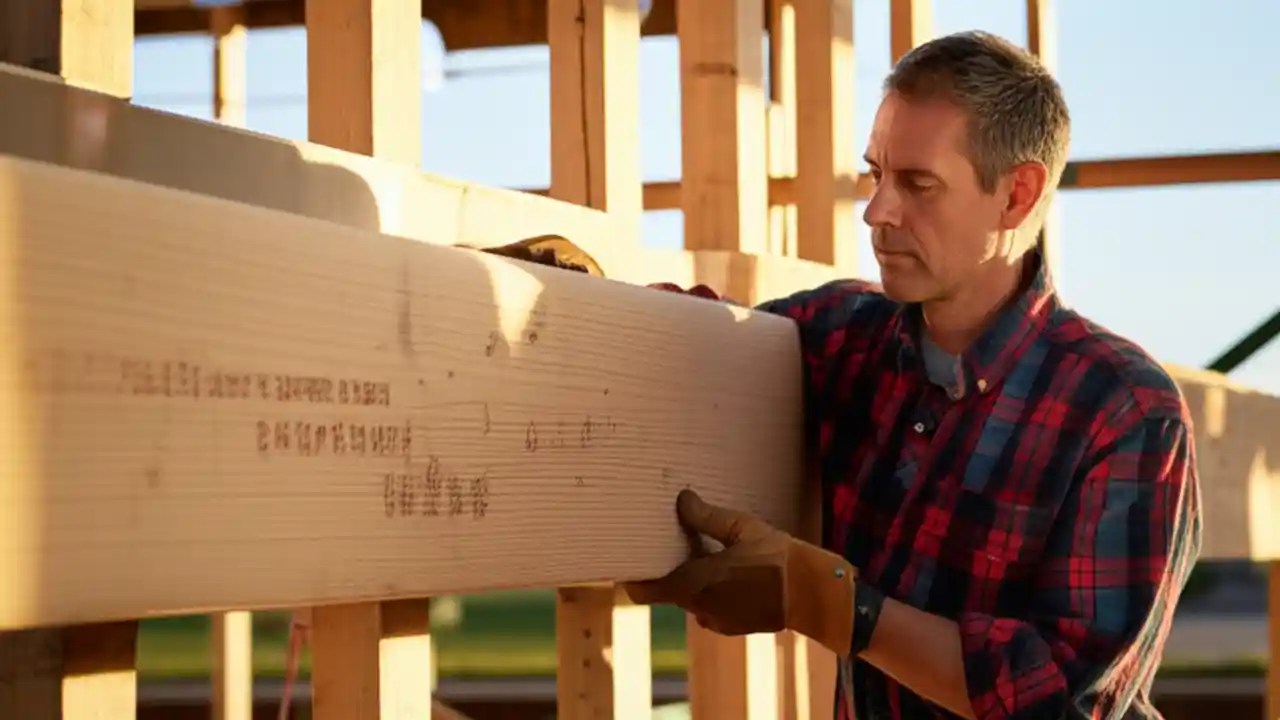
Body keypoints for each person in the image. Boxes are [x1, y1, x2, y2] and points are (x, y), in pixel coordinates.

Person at [619, 31, 1204, 720]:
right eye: (876, 174)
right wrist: (571, 290)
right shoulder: (843, 336)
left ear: (1017, 195)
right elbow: (698, 336)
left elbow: (1055, 695)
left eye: (918, 185)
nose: (877, 212)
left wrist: (834, 605)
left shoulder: (1124, 411)